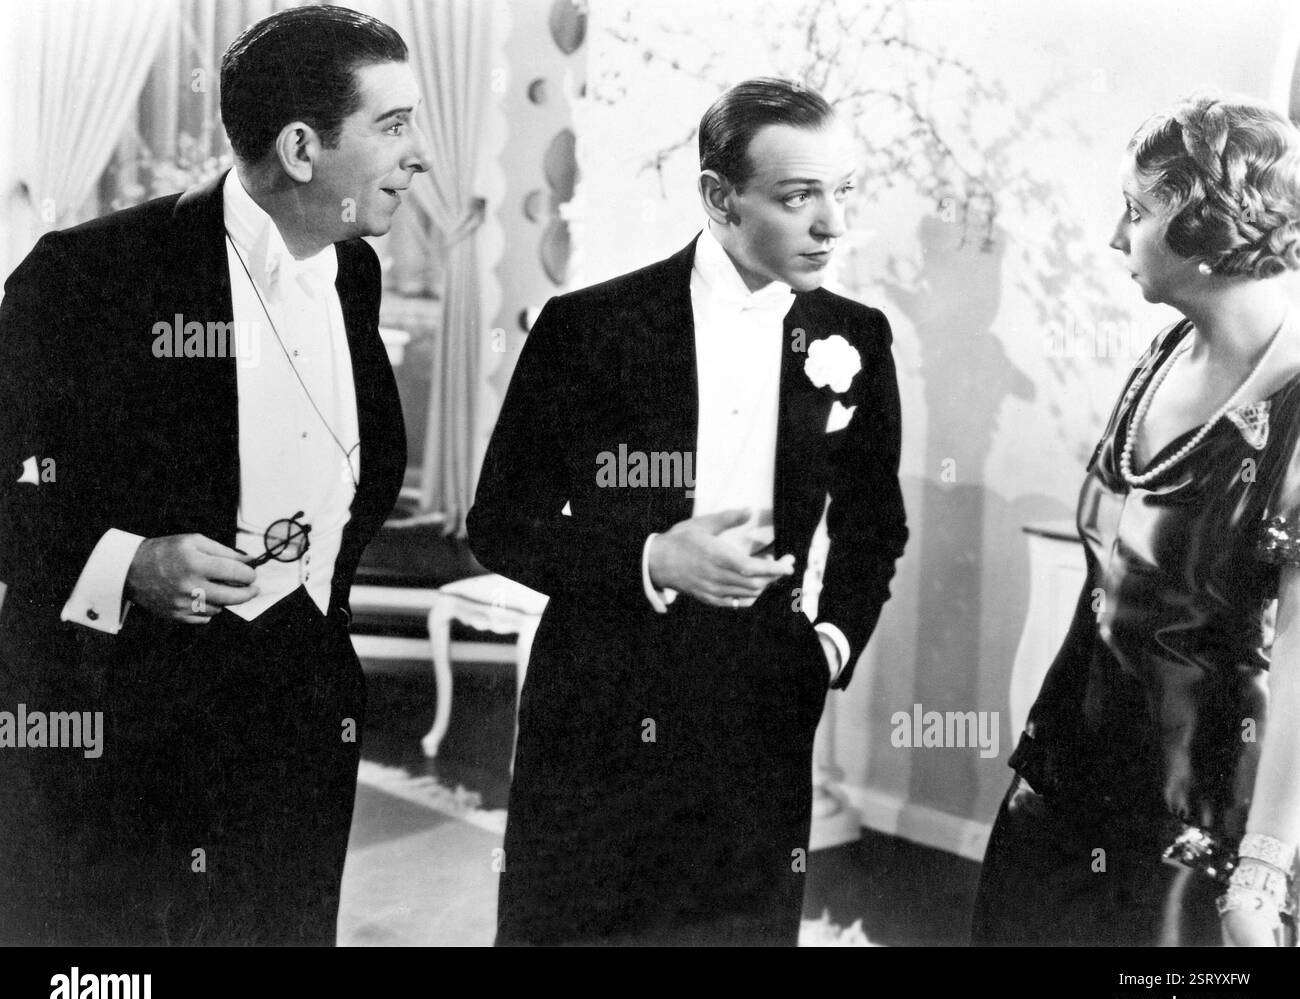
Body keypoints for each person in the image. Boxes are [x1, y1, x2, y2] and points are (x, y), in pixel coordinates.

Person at [0, 5, 429, 945]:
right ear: (303, 147)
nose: (419, 155)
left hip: (306, 704)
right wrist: (129, 560)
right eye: (393, 127)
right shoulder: (91, 275)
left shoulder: (354, 269)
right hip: (128, 716)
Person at [468, 78, 908, 946]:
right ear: (718, 196)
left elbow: (873, 526)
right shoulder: (589, 327)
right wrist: (651, 556)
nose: (832, 224)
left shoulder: (857, 338)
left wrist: (825, 648)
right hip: (597, 698)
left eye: (842, 191)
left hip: (760, 706)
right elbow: (500, 522)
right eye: (798, 196)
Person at [972, 94, 1300, 947]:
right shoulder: (1163, 353)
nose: (1115, 237)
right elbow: (1104, 586)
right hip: (1064, 782)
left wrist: (1262, 874)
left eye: (1135, 209)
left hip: (1196, 830)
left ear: (1205, 220)